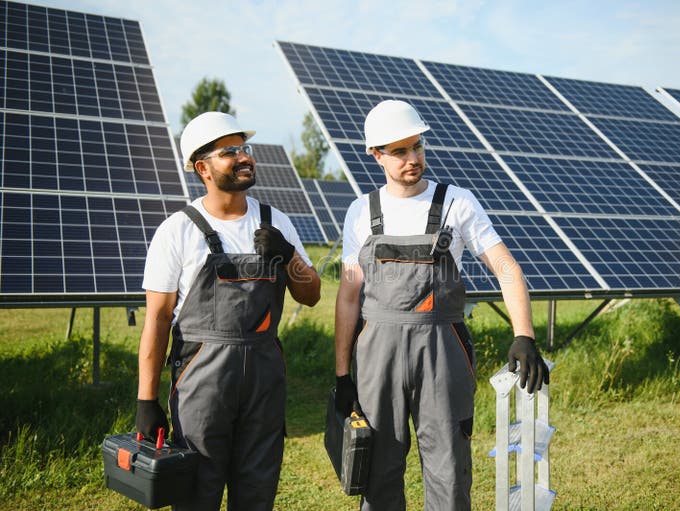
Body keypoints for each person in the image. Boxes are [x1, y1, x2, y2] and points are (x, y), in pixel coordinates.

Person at [333, 100, 549, 510]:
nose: (412, 159)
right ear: (375, 155)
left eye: (417, 146)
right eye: (399, 151)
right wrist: (343, 374)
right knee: (377, 469)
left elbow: (505, 266)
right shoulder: (361, 212)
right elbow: (348, 296)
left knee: (449, 469)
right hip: (376, 352)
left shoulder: (457, 202)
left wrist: (524, 334)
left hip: (442, 348)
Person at [135, 111, 320, 511]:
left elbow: (312, 295)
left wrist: (289, 258)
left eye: (245, 148)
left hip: (265, 377)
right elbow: (158, 319)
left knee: (257, 491)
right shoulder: (177, 231)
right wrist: (146, 399)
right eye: (230, 151)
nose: (244, 157)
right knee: (196, 492)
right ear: (202, 167)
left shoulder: (278, 222)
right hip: (202, 379)